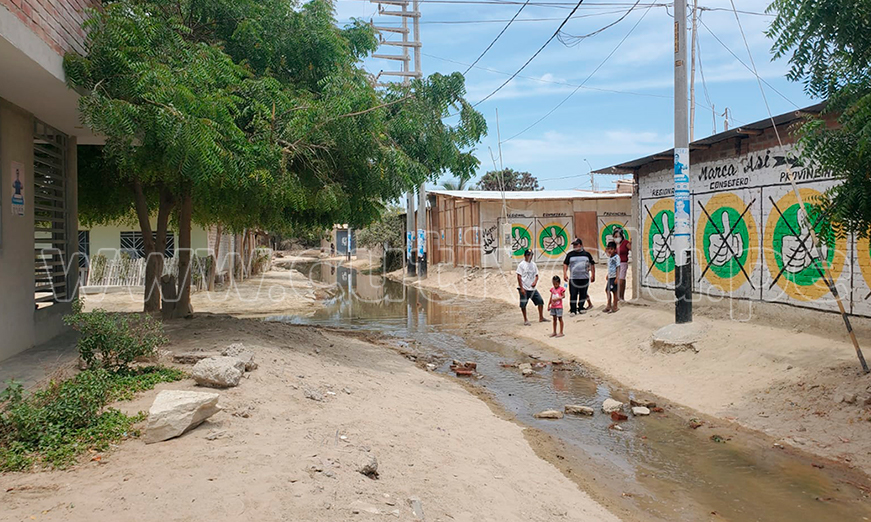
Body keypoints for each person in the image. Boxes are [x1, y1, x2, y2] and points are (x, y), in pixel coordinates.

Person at [562, 238, 595, 316]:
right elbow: (565, 264)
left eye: (576, 244)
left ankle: (581, 307)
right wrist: (565, 273)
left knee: (583, 293)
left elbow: (592, 264)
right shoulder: (570, 255)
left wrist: (593, 274)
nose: (575, 246)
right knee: (573, 294)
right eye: (574, 245)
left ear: (580, 245)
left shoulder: (587, 254)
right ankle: (573, 309)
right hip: (574, 278)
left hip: (585, 277)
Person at [516, 249, 545, 325]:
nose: (530, 256)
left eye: (531, 255)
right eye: (528, 255)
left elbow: (536, 275)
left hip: (532, 288)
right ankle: (525, 319)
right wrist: (521, 288)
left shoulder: (533, 264)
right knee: (523, 304)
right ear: (525, 255)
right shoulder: (521, 265)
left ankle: (541, 317)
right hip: (524, 287)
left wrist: (535, 282)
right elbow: (519, 276)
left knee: (540, 301)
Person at [614, 227, 631, 302]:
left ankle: (621, 296)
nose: (616, 238)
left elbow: (631, 248)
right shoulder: (614, 244)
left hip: (623, 262)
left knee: (621, 279)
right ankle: (617, 297)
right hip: (615, 263)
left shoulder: (625, 243)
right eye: (615, 237)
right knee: (615, 280)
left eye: (618, 236)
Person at [604, 241, 620, 313]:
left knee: (614, 291)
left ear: (615, 249)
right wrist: (608, 274)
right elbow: (610, 267)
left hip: (614, 276)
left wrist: (617, 277)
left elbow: (618, 267)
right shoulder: (610, 257)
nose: (610, 250)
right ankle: (609, 305)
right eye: (609, 249)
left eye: (611, 249)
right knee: (607, 290)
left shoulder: (616, 257)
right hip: (610, 276)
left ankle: (615, 306)